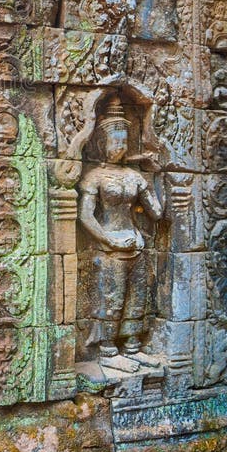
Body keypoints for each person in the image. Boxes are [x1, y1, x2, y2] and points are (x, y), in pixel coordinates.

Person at [78, 97, 163, 372]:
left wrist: (150, 176)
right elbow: (85, 216)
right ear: (102, 143)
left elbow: (157, 214)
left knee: (139, 297)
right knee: (112, 299)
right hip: (111, 246)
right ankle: (108, 350)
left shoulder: (134, 176)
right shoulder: (94, 176)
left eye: (124, 141)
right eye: (115, 141)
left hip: (135, 243)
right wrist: (107, 239)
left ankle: (133, 347)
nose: (120, 147)